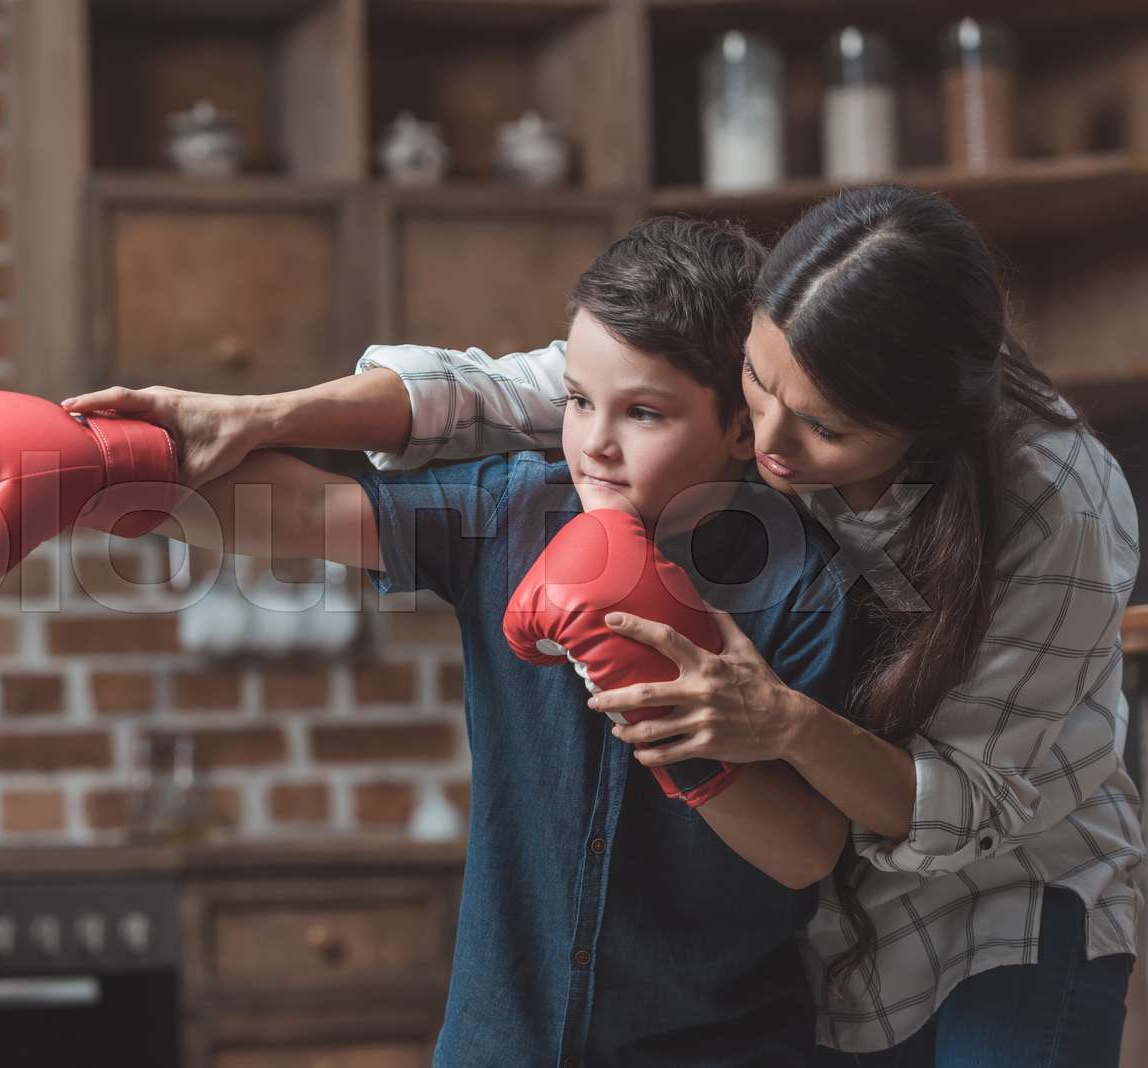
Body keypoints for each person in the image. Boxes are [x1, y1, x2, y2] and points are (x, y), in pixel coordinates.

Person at [68, 185, 1145, 1065]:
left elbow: (855, 829)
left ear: (914, 430)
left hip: (1002, 885)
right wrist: (97, 473)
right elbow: (475, 416)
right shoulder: (517, 507)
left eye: (814, 427)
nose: (771, 443)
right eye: (758, 391)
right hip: (587, 1014)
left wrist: (748, 736)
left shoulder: (912, 560)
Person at [100, 217, 870, 1065]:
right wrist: (88, 473)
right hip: (497, 1044)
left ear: (739, 427)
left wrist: (681, 731)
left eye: (643, 413)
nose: (595, 445)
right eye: (578, 401)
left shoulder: (806, 588)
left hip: (719, 1049)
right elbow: (305, 510)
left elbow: (807, 855)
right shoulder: (515, 511)